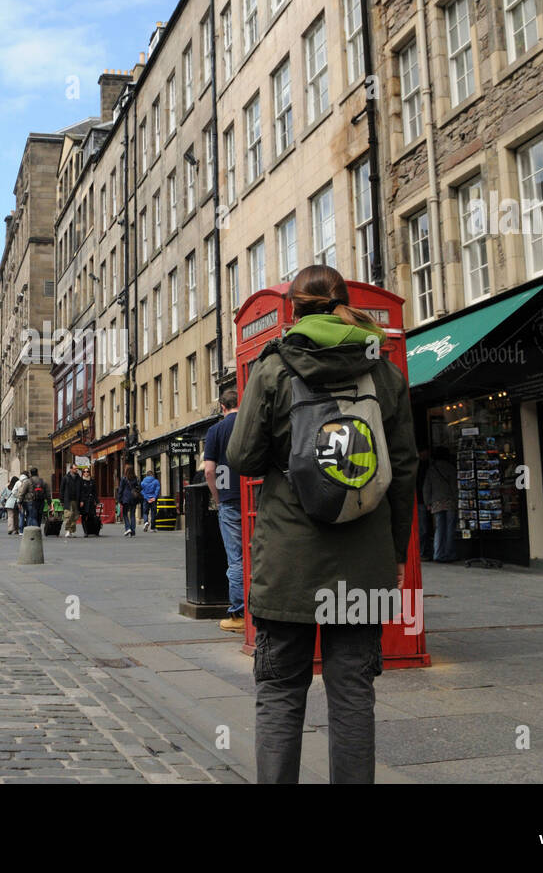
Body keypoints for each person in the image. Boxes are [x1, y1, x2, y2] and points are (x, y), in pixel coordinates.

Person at [227, 265, 417, 785]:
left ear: (294, 310)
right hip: (364, 560)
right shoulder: (384, 371)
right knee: (353, 694)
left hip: (288, 561)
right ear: (344, 302)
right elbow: (403, 471)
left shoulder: (273, 367)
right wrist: (396, 554)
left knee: (281, 693)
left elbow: (243, 456)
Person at [205, 389, 244, 633]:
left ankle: (239, 614)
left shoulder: (216, 431)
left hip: (229, 498)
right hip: (257, 497)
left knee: (236, 558)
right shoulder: (252, 423)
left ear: (222, 406)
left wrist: (218, 498)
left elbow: (210, 471)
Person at [423, 446, 458, 563]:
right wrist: (457, 499)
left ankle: (438, 554)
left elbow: (426, 487)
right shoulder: (450, 468)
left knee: (439, 529)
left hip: (436, 502)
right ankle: (449, 553)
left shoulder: (431, 469)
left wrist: (427, 502)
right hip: (450, 501)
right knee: (450, 528)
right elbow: (454, 486)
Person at [116, 462, 141, 537]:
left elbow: (120, 489)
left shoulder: (124, 478)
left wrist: (119, 499)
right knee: (132, 514)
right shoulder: (136, 478)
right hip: (134, 498)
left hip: (126, 498)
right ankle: (133, 531)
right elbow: (139, 487)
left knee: (125, 514)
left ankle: (128, 528)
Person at [60, 463, 81, 538]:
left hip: (76, 500)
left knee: (74, 516)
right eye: (75, 469)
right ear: (71, 469)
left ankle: (71, 530)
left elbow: (81, 490)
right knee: (68, 515)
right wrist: (61, 500)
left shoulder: (79, 478)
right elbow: (62, 490)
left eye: (77, 469)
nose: (76, 470)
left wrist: (81, 500)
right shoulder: (65, 478)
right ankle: (67, 530)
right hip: (67, 499)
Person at [78, 466, 100, 536]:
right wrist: (81, 501)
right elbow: (80, 492)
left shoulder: (92, 481)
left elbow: (95, 492)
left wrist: (96, 501)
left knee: (91, 515)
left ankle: (91, 530)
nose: (86, 473)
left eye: (87, 471)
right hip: (84, 501)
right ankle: (85, 532)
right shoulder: (81, 481)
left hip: (91, 501)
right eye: (84, 471)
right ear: (83, 473)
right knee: (84, 516)